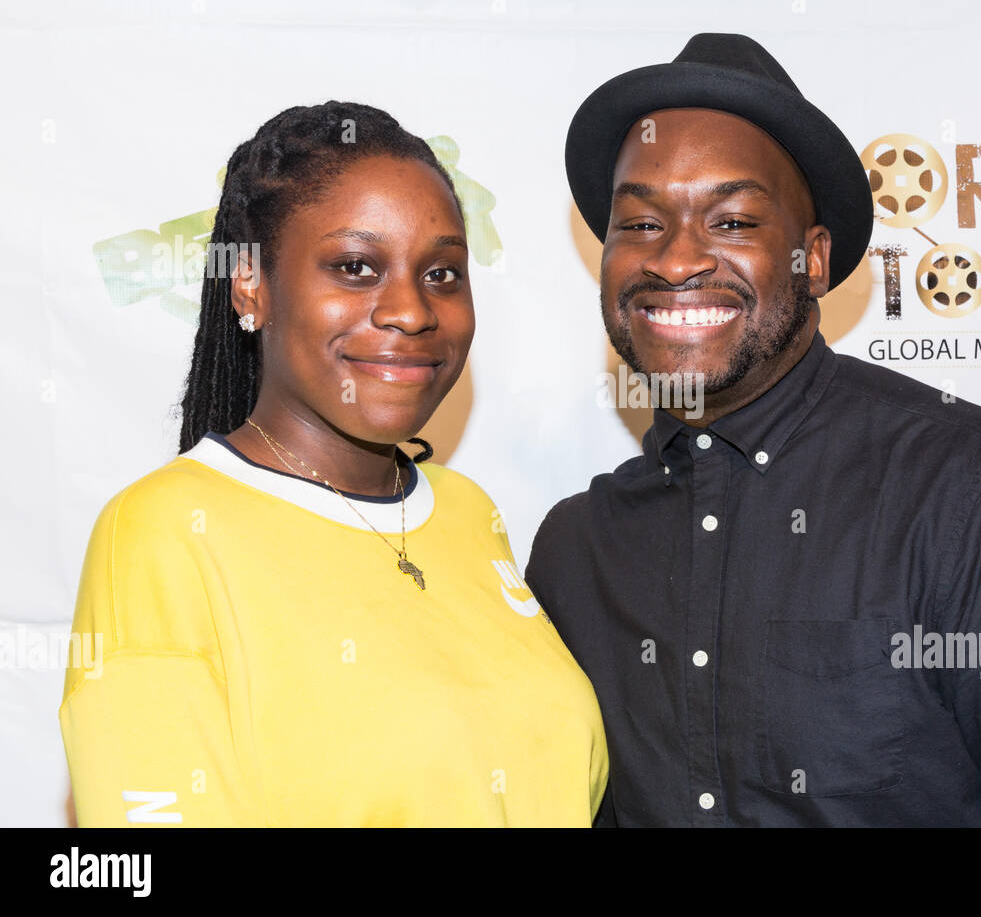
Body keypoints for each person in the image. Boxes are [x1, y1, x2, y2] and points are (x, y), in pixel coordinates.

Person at [526, 34, 981, 826]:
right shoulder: (575, 551)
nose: (675, 260)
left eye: (732, 220)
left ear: (811, 259)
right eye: (639, 224)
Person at [59, 102, 608, 827]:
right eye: (355, 267)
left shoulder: (469, 512)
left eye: (442, 273)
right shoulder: (161, 534)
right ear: (250, 284)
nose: (411, 310)